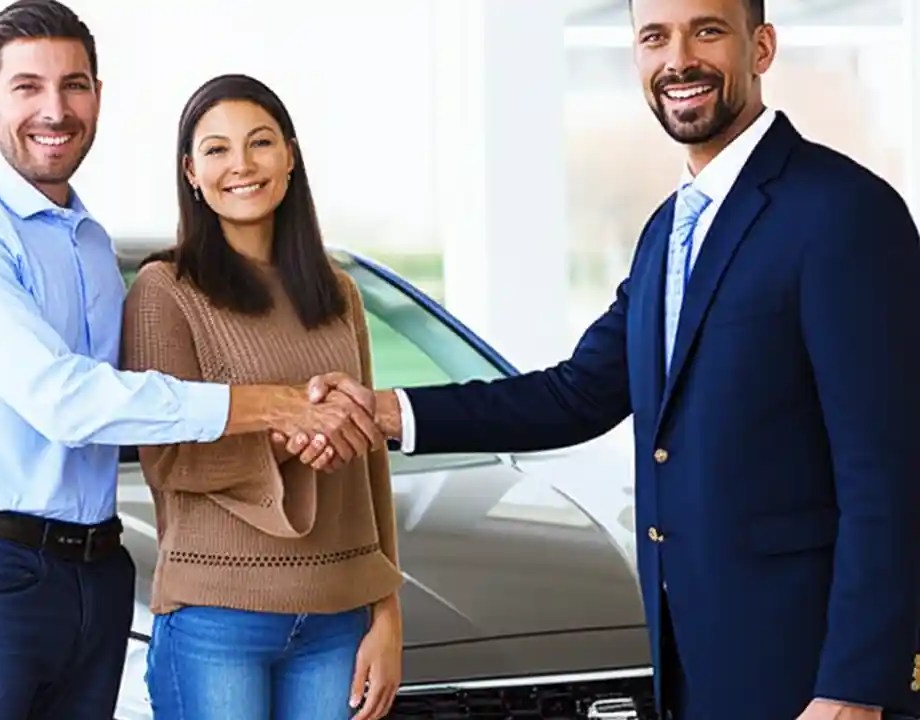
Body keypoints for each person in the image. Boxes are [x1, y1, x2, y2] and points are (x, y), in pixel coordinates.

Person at [305, 0, 920, 718]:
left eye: (707, 31)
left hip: (806, 674)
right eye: (654, 38)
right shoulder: (668, 230)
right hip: (693, 666)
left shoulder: (844, 212)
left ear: (763, 48)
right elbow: (577, 393)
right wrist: (386, 411)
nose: (678, 60)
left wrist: (853, 686)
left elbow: (890, 475)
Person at [0, 3, 380, 718]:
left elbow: (138, 412)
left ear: (98, 94)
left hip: (95, 572)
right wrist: (274, 406)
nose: (54, 110)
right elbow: (69, 400)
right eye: (28, 87)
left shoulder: (89, 241)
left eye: (74, 85)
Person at [119, 74, 403, 720]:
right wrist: (286, 437)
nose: (241, 165)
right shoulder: (166, 291)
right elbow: (167, 458)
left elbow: (371, 462)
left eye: (260, 143)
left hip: (338, 616)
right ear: (190, 172)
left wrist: (387, 614)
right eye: (216, 150)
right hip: (218, 620)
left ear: (291, 156)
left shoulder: (338, 293)